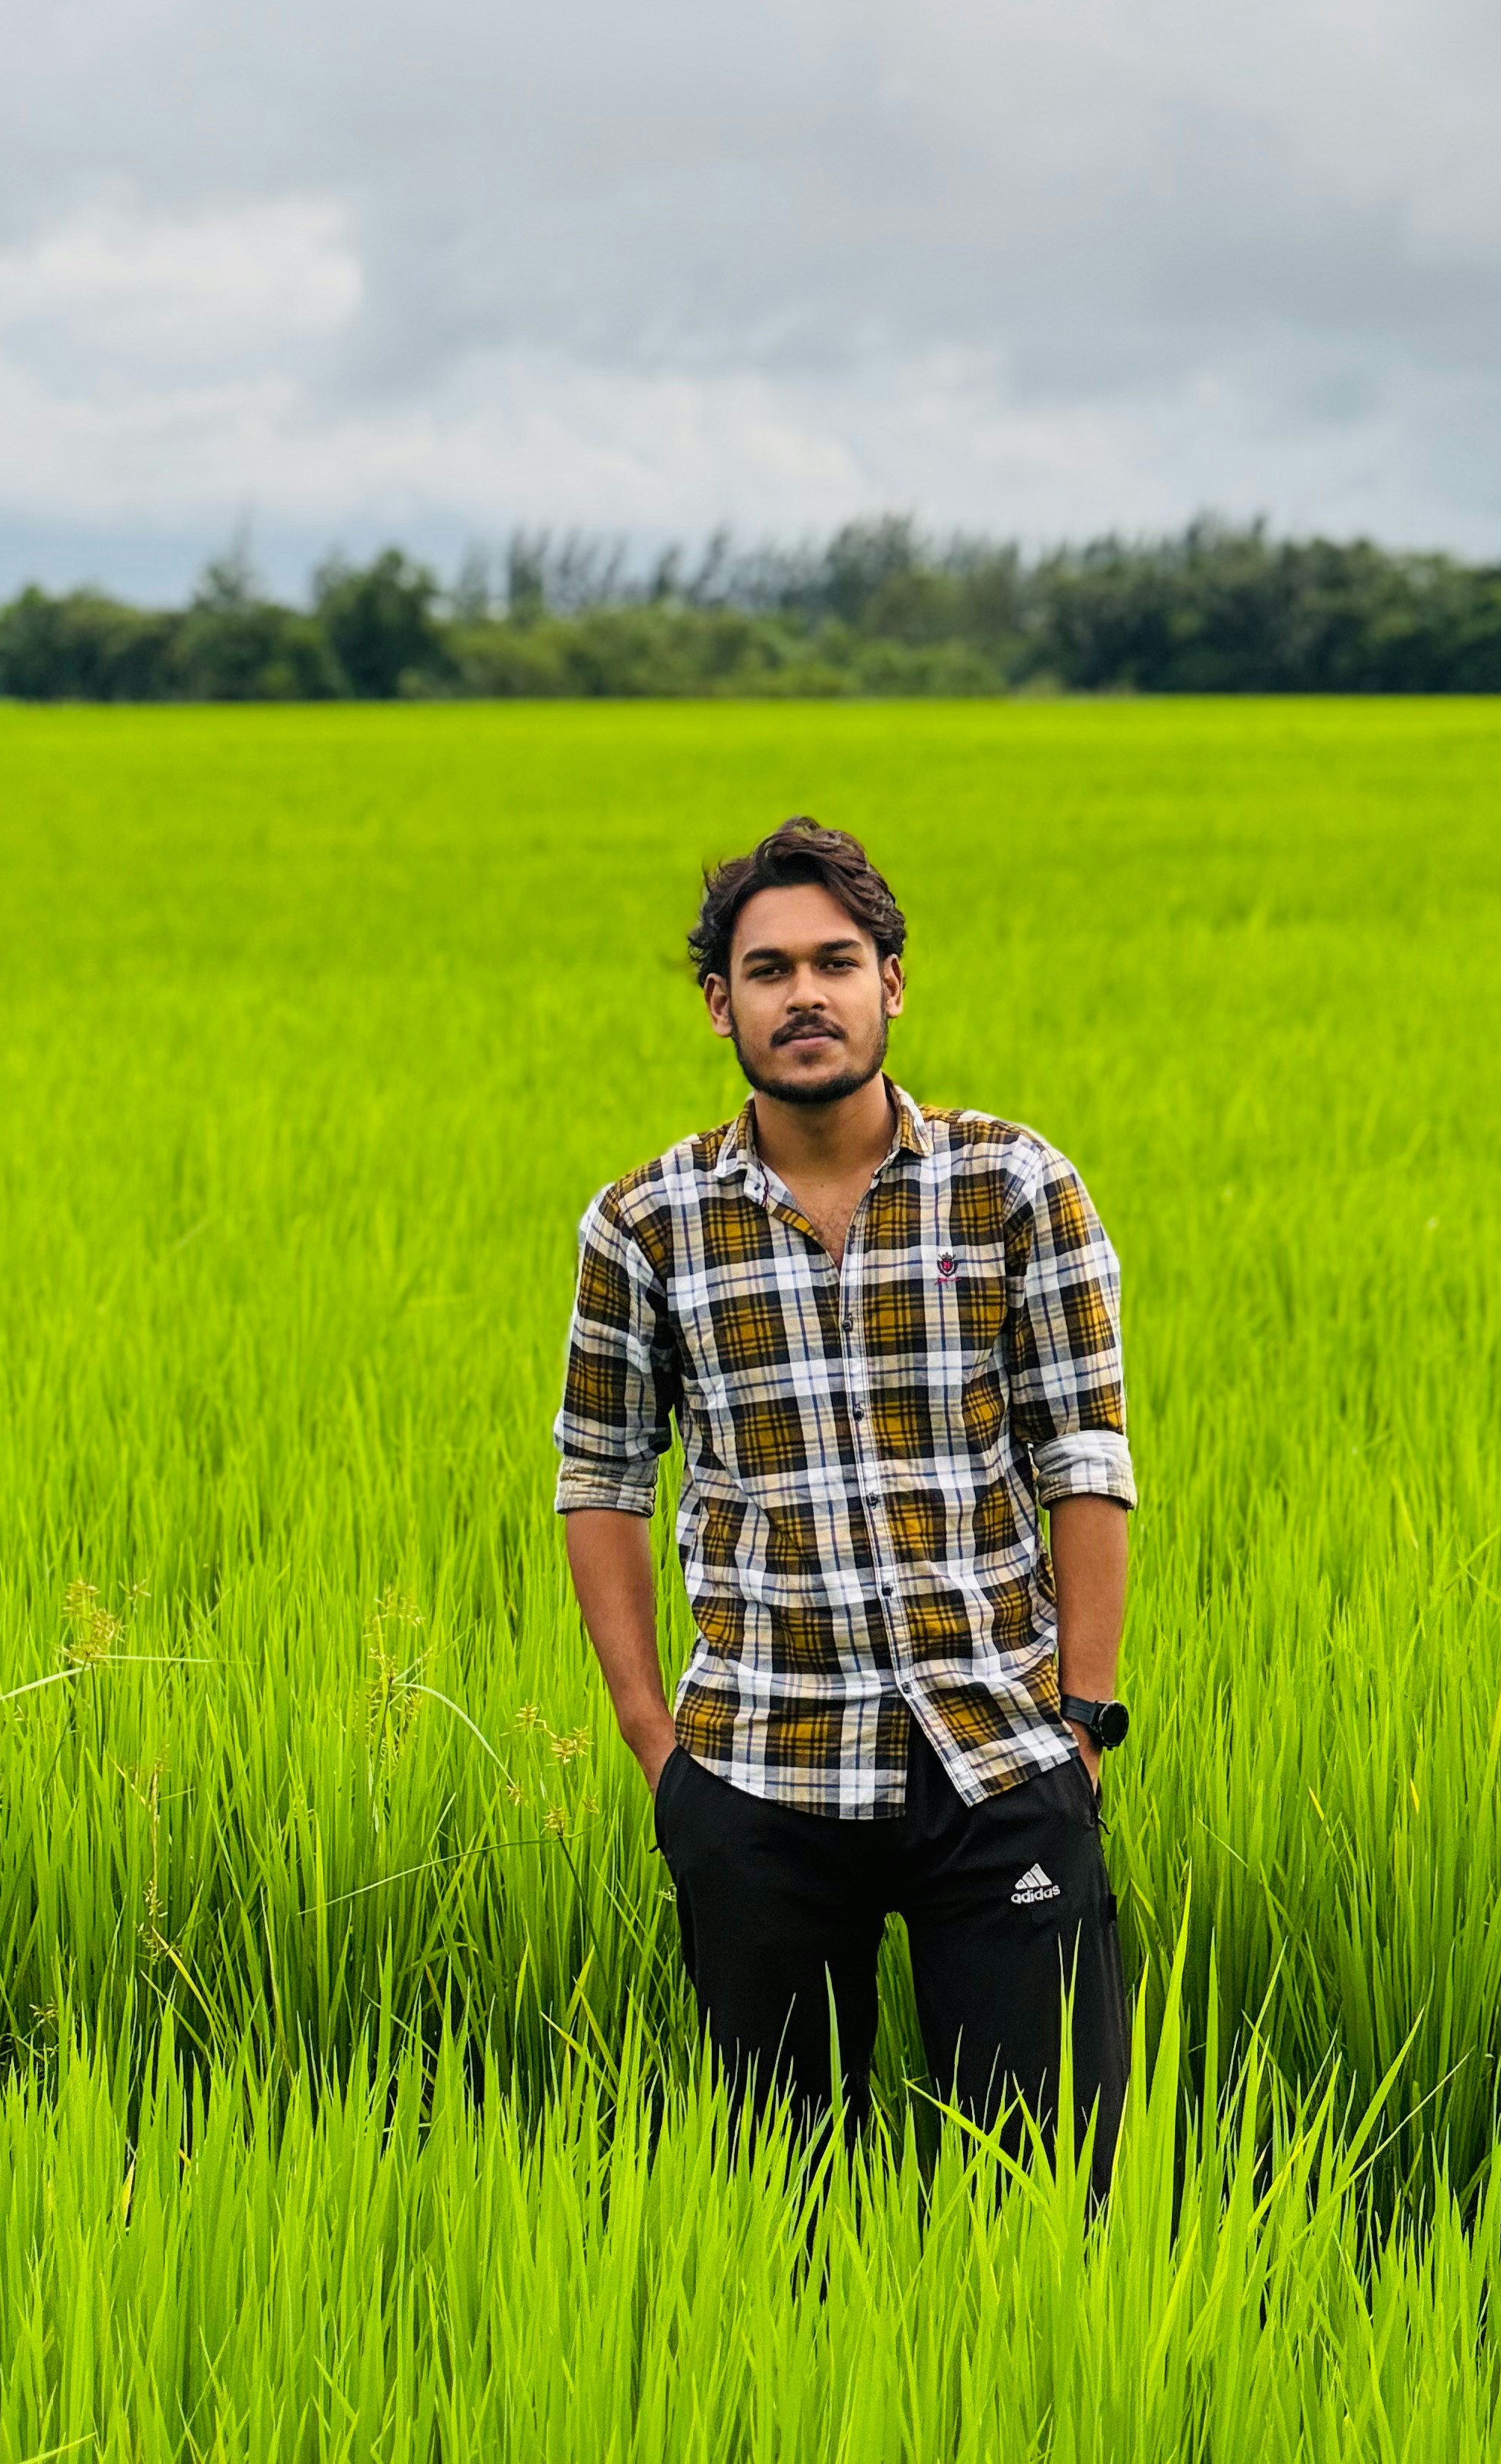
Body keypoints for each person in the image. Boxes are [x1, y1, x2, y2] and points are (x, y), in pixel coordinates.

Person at [554, 815, 1133, 2188]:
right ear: (720, 1006)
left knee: (1055, 2199)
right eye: (767, 970)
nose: (803, 993)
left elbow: (1085, 1456)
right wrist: (657, 1748)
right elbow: (600, 1480)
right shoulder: (647, 1225)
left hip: (998, 1754)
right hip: (756, 1770)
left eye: (835, 961)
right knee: (785, 2199)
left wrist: (1084, 1725)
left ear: (892, 983)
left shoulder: (1012, 1185)